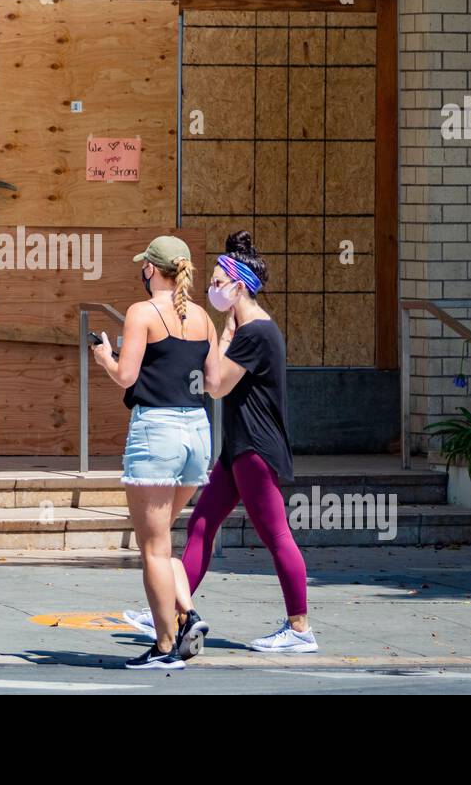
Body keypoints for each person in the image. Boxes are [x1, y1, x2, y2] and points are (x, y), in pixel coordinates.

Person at [126, 230, 316, 653]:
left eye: (216, 281)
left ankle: (299, 627)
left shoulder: (255, 333)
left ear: (238, 285)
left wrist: (223, 334)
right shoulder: (252, 328)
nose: (210, 287)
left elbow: (216, 386)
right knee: (202, 524)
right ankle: (173, 607)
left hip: (255, 447)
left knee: (276, 533)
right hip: (237, 447)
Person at [92, 236, 219, 670]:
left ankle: (166, 647)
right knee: (163, 538)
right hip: (199, 434)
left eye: (143, 266)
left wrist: (104, 357)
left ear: (150, 269)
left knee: (152, 547)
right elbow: (216, 384)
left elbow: (126, 376)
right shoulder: (203, 317)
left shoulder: (141, 312)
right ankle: (187, 615)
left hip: (157, 431)